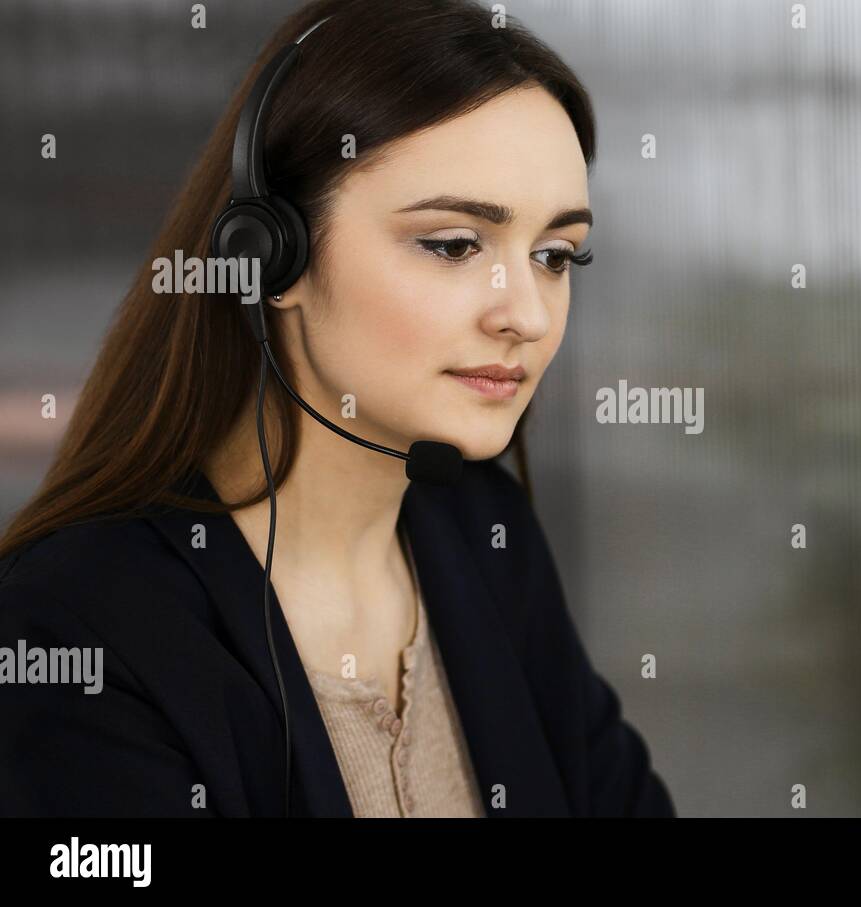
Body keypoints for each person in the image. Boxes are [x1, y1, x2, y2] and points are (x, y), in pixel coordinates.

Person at [0, 0, 674, 818]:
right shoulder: (74, 629)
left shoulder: (485, 536)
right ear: (269, 256)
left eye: (555, 256)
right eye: (455, 245)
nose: (525, 314)